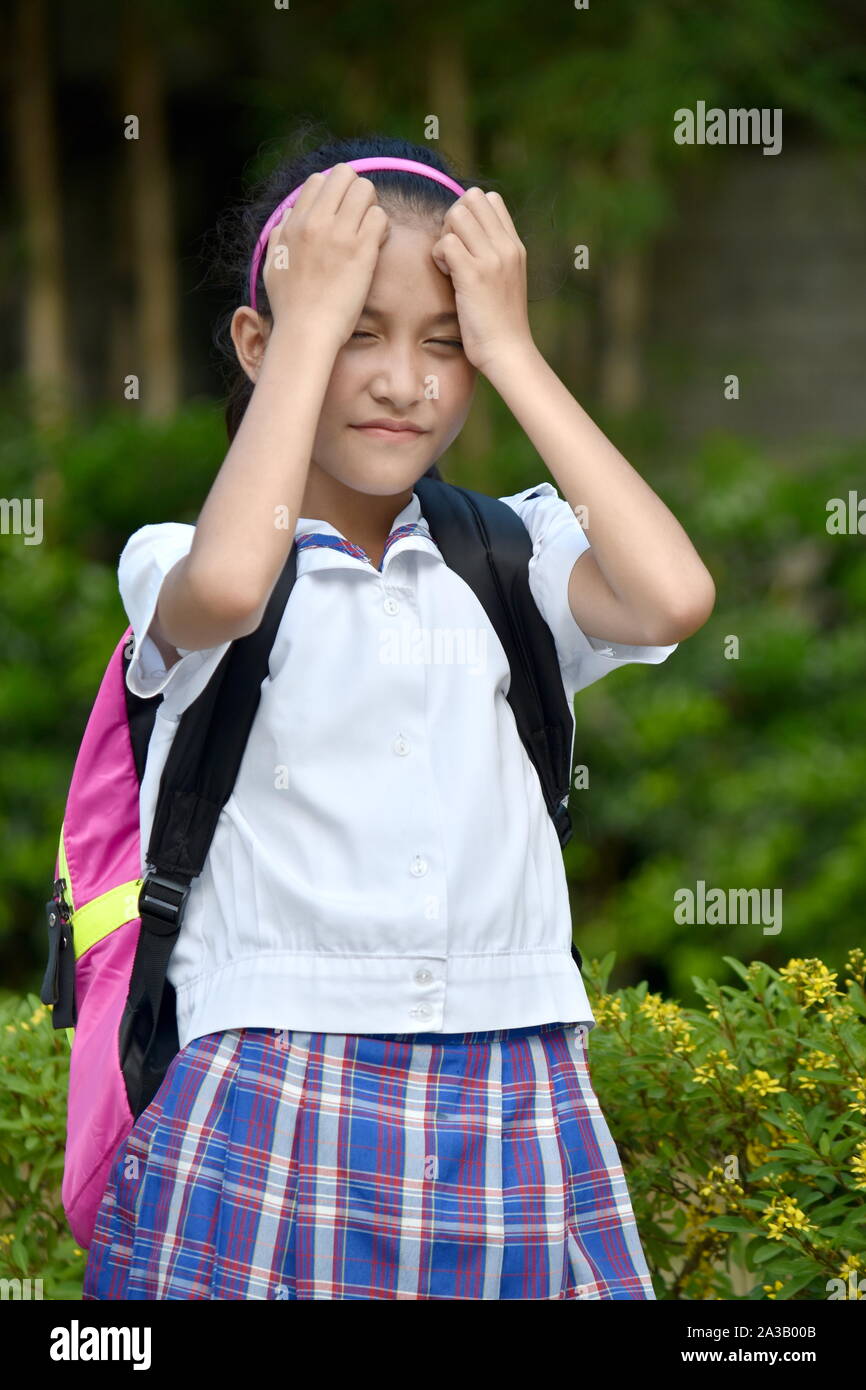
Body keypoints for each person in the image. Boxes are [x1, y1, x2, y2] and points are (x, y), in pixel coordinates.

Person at [82, 131, 715, 1301]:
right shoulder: (180, 556)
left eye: (442, 343)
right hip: (272, 1079)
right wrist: (304, 326)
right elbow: (223, 589)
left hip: (516, 1078)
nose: (399, 381)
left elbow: (672, 594)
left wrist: (515, 349)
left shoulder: (509, 557)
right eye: (353, 333)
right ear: (259, 346)